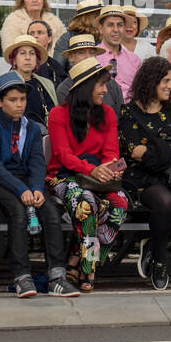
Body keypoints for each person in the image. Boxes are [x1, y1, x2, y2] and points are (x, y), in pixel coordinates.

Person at [0, 72, 78, 298]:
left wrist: (35, 188)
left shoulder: (32, 128)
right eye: (13, 100)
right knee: (18, 213)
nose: (19, 105)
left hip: (26, 181)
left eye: (22, 99)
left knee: (51, 213)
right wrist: (21, 189)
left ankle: (56, 276)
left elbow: (36, 161)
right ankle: (22, 275)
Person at [119, 55, 171, 290]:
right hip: (142, 176)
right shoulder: (128, 112)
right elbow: (137, 152)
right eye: (165, 80)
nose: (170, 86)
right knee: (165, 202)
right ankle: (160, 261)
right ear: (150, 81)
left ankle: (155, 246)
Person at [46, 57, 128, 292]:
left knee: (120, 202)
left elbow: (111, 151)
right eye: (101, 84)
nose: (105, 90)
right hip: (63, 175)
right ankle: (89, 267)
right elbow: (63, 155)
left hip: (97, 175)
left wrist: (109, 169)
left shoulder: (108, 114)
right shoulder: (58, 114)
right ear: (85, 87)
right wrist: (93, 169)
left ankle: (77, 259)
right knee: (87, 203)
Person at [57, 34, 123, 112]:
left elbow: (120, 117)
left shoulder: (111, 84)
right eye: (81, 53)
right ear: (71, 57)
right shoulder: (64, 89)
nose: (88, 57)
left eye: (91, 53)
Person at [1, 33, 56, 124]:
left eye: (32, 53)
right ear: (14, 59)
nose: (28, 58)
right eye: (22, 53)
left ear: (37, 59)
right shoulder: (4, 83)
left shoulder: (47, 84)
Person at [1, 0, 67, 50]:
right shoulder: (13, 21)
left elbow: (62, 47)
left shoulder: (54, 21)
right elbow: (11, 49)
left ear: (43, 1)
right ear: (23, 2)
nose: (35, 0)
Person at [96, 6, 141, 101]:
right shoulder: (92, 58)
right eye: (110, 25)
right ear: (100, 29)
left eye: (120, 25)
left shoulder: (134, 60)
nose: (116, 29)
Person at [29, 19, 69, 86]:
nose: (35, 36)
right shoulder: (21, 64)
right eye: (31, 33)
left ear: (49, 38)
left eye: (39, 32)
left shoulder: (55, 66)